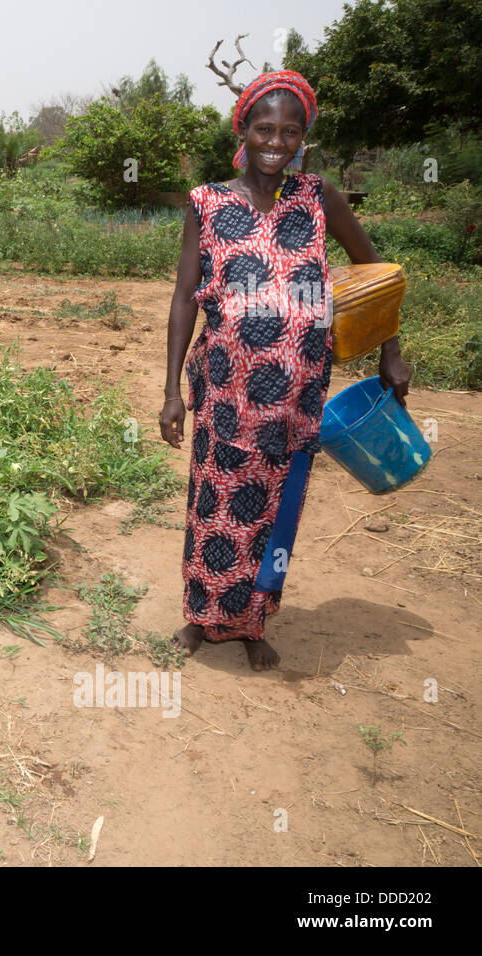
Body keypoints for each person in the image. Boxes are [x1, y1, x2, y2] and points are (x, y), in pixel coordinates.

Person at [160, 70, 412, 671]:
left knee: (277, 509)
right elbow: (182, 298)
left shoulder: (318, 198)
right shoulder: (208, 204)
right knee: (213, 503)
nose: (276, 142)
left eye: (290, 132)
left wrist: (391, 350)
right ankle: (201, 615)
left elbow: (375, 273)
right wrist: (171, 390)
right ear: (242, 130)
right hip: (225, 394)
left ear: (303, 139)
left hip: (297, 396)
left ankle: (253, 622)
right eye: (264, 128)